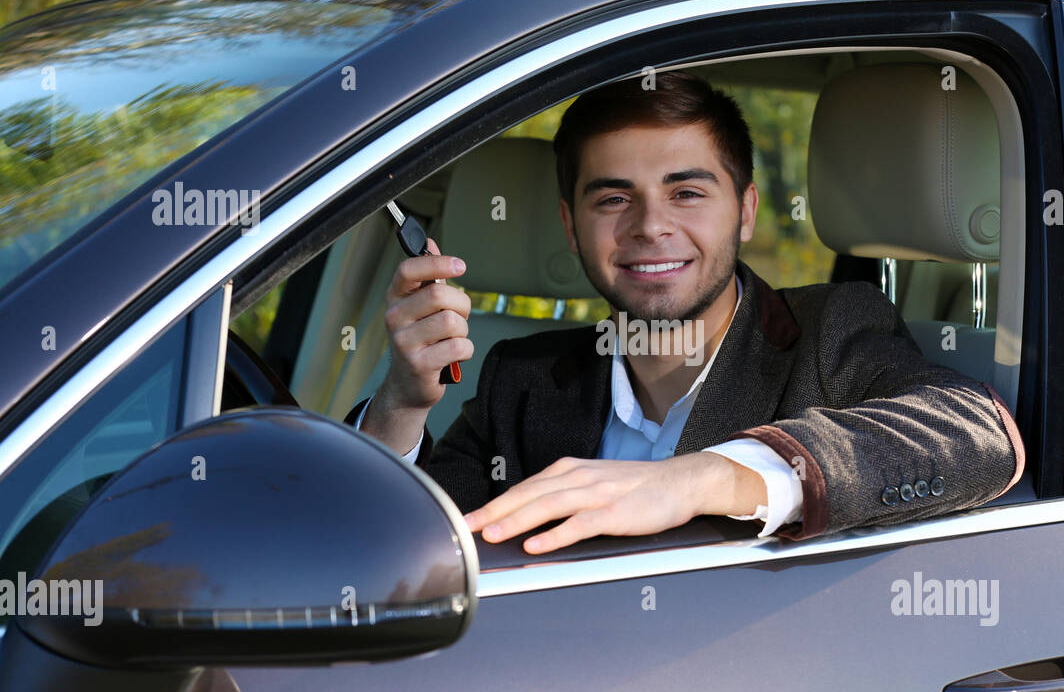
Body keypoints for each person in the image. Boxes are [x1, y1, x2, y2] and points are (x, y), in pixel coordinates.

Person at [346, 71, 1024, 554]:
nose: (650, 227)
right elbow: (398, 556)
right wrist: (402, 406)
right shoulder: (519, 381)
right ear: (570, 224)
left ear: (748, 212)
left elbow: (976, 435)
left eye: (687, 192)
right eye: (613, 199)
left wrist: (703, 478)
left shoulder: (832, 331)